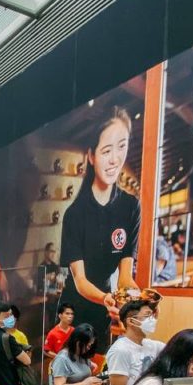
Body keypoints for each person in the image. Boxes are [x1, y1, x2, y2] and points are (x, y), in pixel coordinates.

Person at [60, 107, 141, 350]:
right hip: (75, 307)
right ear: (92, 156)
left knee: (99, 363)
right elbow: (80, 280)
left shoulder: (130, 206)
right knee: (72, 364)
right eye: (106, 151)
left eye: (122, 146)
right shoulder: (75, 214)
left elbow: (125, 275)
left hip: (104, 307)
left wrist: (136, 298)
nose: (115, 159)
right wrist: (105, 298)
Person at [41, 302, 76, 385]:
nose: (70, 316)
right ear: (60, 315)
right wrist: (60, 357)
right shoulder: (53, 333)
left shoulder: (74, 331)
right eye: (67, 313)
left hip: (70, 368)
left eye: (72, 314)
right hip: (56, 368)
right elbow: (46, 351)